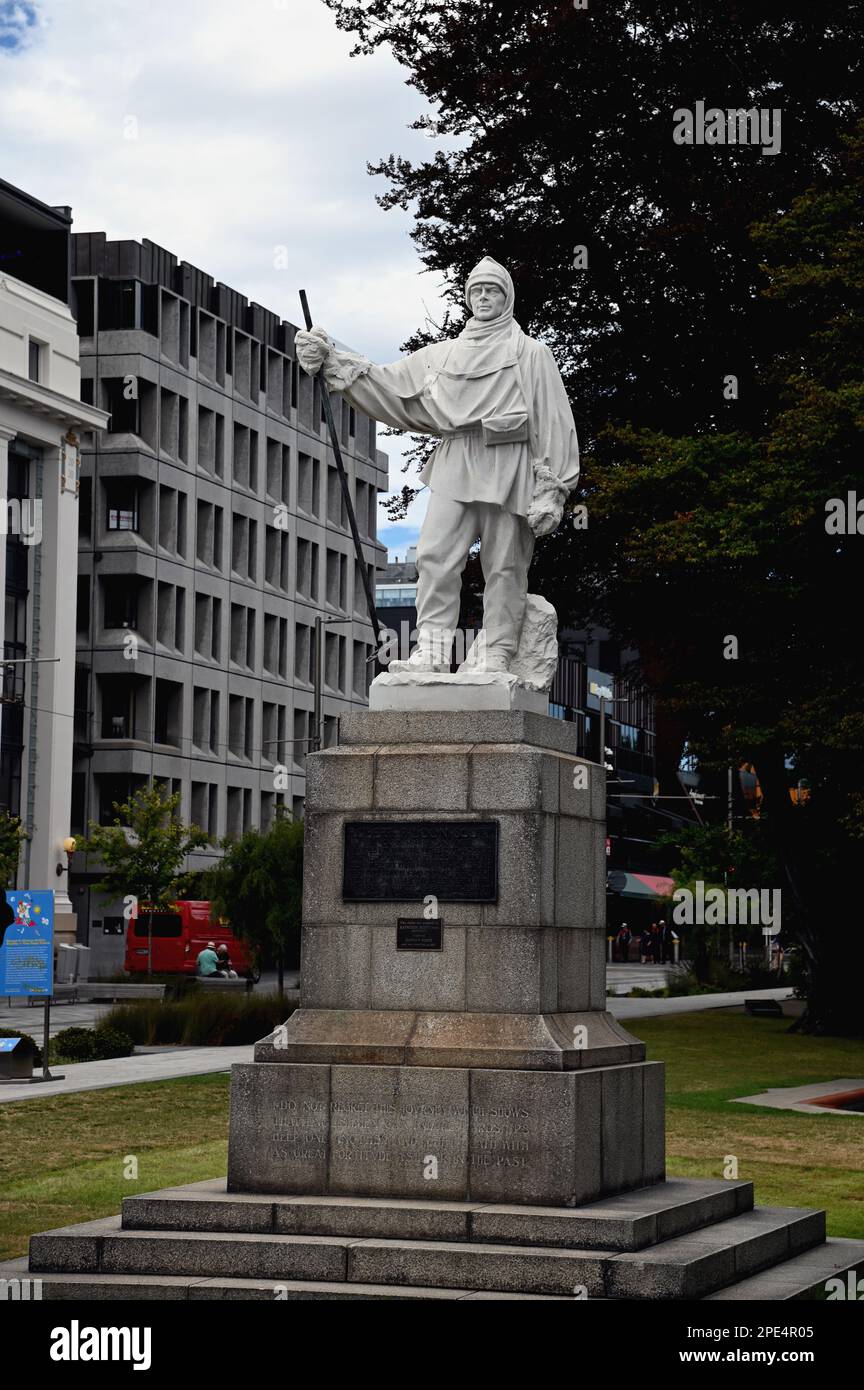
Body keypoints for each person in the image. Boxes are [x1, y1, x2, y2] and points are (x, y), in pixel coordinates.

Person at [295, 256, 579, 674]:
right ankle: (431, 651)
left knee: (504, 564)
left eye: (493, 290)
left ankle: (498, 652)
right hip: (455, 459)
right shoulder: (443, 356)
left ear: (507, 298)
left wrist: (552, 488)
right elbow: (388, 384)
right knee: (434, 556)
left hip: (510, 463)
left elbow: (553, 419)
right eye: (476, 290)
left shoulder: (531, 354)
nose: (483, 297)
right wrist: (331, 359)